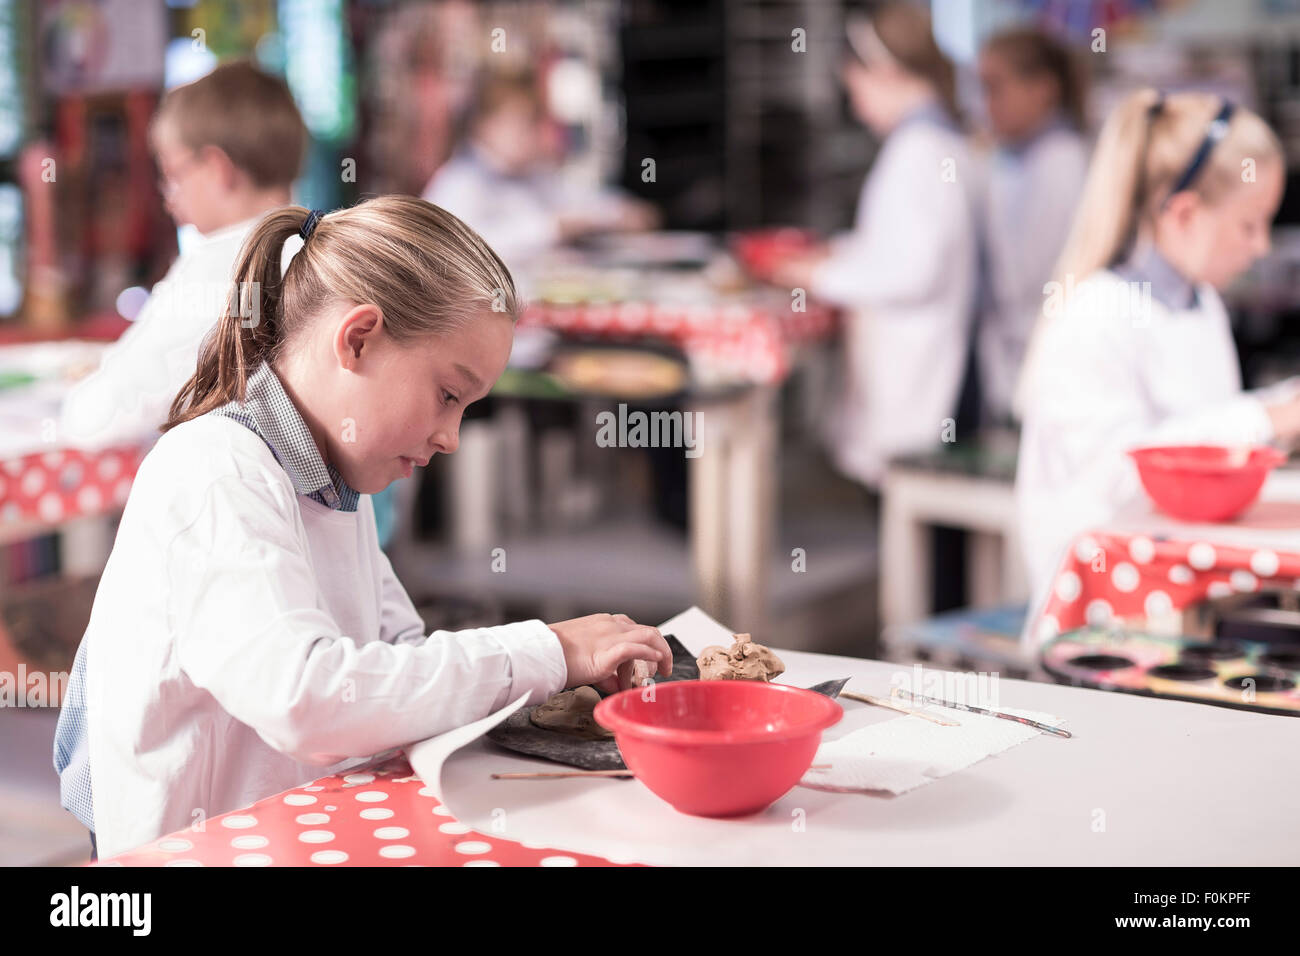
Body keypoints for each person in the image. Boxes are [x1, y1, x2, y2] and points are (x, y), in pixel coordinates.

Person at [54, 196, 673, 860]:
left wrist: (555, 683)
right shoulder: (216, 474)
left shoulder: (331, 478)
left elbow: (398, 652)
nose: (451, 438)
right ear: (357, 339)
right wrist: (547, 651)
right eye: (447, 395)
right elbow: (306, 699)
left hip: (299, 834)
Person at [1016, 89, 1300, 612]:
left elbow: (1206, 425)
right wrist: (1271, 416)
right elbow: (1133, 469)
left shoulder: (1201, 304)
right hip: (1099, 618)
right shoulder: (1096, 313)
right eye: (1249, 225)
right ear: (1185, 215)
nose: (1261, 247)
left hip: (1184, 597)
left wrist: (1283, 406)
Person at [772, 2, 978, 489]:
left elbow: (913, 270)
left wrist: (815, 275)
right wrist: (840, 255)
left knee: (920, 533)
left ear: (885, 73)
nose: (856, 102)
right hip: (933, 361)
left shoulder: (920, 152)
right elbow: (897, 241)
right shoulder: (933, 143)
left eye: (857, 87)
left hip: (922, 370)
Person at [59, 60, 305, 448]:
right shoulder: (318, 246)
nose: (166, 194)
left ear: (216, 169)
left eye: (172, 175)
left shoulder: (218, 269)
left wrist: (72, 405)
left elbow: (101, 416)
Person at [422, 70, 658, 268]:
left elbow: (582, 200)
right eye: (521, 123)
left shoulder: (535, 175)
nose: (531, 135)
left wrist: (619, 213)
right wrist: (551, 229)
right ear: (485, 125)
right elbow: (451, 251)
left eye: (534, 123)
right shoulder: (458, 182)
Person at [975, 27, 1090, 425]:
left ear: (1043, 89)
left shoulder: (1062, 164)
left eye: (995, 88)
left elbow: (1025, 280)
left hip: (1039, 357)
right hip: (1015, 360)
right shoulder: (1014, 159)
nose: (985, 105)